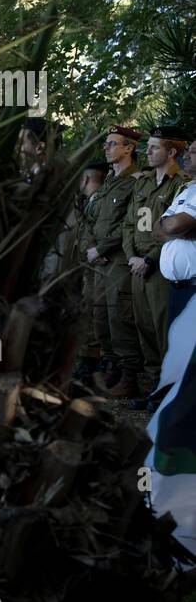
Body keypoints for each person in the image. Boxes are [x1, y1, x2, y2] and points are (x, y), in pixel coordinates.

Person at [122, 126, 188, 409]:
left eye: (153, 147)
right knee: (145, 327)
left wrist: (149, 258)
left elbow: (175, 230)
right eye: (147, 146)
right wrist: (131, 257)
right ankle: (154, 386)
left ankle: (172, 391)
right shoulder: (143, 182)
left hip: (159, 268)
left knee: (165, 330)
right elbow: (129, 224)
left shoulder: (182, 184)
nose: (146, 152)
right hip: (137, 266)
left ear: (171, 152)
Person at [85, 125, 147, 398]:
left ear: (129, 148)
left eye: (112, 144)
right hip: (99, 258)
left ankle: (129, 374)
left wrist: (100, 248)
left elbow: (128, 223)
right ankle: (110, 365)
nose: (107, 148)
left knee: (119, 316)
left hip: (118, 258)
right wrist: (91, 247)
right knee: (101, 314)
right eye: (107, 143)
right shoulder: (109, 181)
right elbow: (92, 217)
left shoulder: (137, 182)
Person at [73, 161, 110, 378]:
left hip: (97, 264)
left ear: (85, 179)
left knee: (96, 312)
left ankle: (95, 359)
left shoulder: (101, 202)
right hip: (84, 263)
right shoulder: (86, 202)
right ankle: (90, 356)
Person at [157, 140, 196, 327]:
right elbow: (157, 229)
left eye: (193, 152)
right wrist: (185, 231)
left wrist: (174, 227)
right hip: (178, 290)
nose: (186, 156)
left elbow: (173, 226)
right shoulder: (186, 190)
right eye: (187, 150)